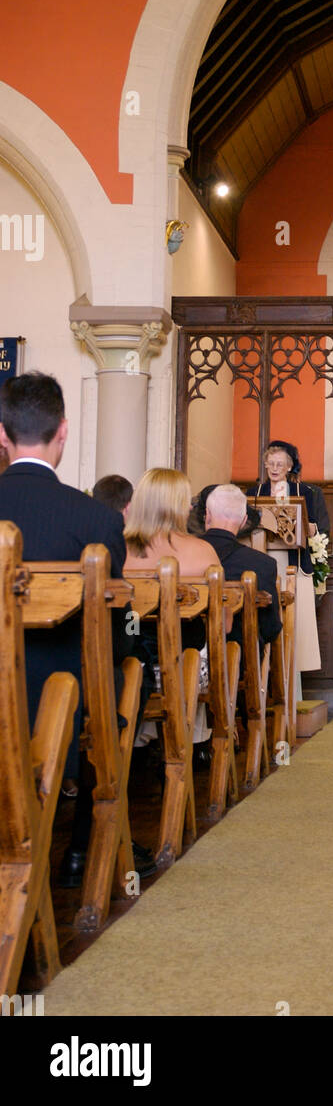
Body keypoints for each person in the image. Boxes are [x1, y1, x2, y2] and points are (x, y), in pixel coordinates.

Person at [0, 372, 154, 885]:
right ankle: (79, 854)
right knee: (114, 689)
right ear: (63, 432)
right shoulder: (94, 518)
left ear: (2, 435)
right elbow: (109, 619)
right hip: (60, 700)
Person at [124, 468, 222, 753]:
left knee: (131, 626)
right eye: (186, 500)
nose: (191, 506)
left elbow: (124, 618)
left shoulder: (117, 548)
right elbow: (220, 626)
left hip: (131, 664)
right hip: (184, 665)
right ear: (176, 505)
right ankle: (189, 742)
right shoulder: (203, 552)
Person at [250, 439, 327, 674]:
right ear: (265, 465)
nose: (275, 468)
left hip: (292, 562)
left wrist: (301, 524)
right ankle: (264, 672)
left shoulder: (303, 492)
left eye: (280, 464)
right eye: (271, 463)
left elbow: (313, 527)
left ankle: (292, 677)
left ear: (288, 467)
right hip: (263, 558)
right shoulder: (255, 492)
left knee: (294, 620)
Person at [202, 483, 283, 659]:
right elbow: (270, 629)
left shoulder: (184, 556)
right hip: (241, 665)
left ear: (207, 515)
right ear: (244, 520)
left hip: (187, 663)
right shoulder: (263, 564)